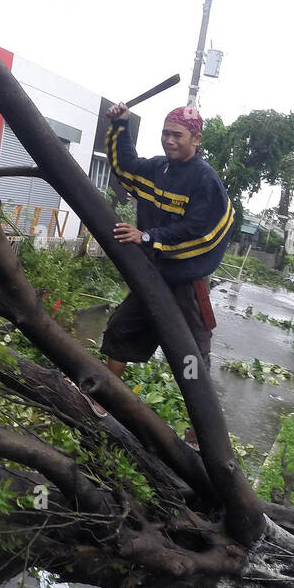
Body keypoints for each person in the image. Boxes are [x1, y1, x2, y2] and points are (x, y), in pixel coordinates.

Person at [98, 103, 233, 383]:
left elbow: (198, 233)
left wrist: (147, 237)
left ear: (196, 139)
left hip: (187, 282)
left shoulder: (205, 180)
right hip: (154, 273)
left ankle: (201, 424)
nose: (169, 140)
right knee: (121, 330)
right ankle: (106, 399)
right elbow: (125, 168)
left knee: (192, 354)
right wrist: (121, 125)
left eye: (177, 135)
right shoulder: (158, 169)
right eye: (165, 133)